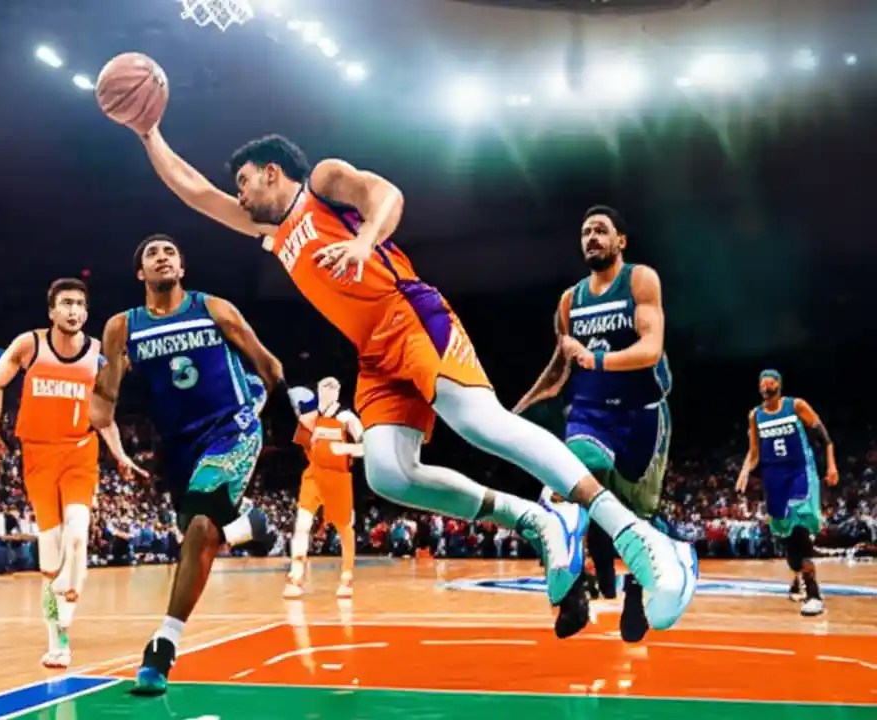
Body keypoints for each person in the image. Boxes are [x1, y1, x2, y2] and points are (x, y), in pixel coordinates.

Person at [125, 123, 699, 634]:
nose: (241, 195)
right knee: (389, 474)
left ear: (272, 172)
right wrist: (149, 133)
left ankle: (642, 540)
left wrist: (363, 241)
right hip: (374, 354)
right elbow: (196, 193)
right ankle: (537, 520)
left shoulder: (320, 183)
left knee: (481, 424)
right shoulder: (269, 229)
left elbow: (386, 195)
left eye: (245, 181)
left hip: (409, 315)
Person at [92, 234, 280, 696]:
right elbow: (105, 398)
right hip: (178, 446)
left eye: (170, 252)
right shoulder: (122, 327)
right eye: (152, 254)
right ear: (140, 273)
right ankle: (250, 525)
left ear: (182, 268)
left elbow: (269, 366)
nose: (162, 257)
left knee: (201, 520)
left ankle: (163, 646)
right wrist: (106, 436)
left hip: (230, 428)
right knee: (198, 535)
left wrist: (264, 408)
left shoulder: (213, 308)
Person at [513, 206, 673, 641]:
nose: (592, 237)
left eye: (601, 230)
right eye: (585, 232)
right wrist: (512, 416)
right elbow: (559, 368)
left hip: (641, 411)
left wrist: (596, 358)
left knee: (640, 515)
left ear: (621, 240)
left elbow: (651, 349)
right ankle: (572, 593)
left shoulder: (640, 280)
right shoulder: (570, 300)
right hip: (590, 413)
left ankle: (637, 591)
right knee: (564, 487)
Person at [0, 277, 144, 669]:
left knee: (77, 530)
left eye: (80, 304)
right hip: (37, 456)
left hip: (79, 452)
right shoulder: (29, 345)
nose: (74, 311)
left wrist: (120, 455)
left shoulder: (98, 355)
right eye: (66, 303)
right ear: (51, 310)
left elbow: (104, 418)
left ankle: (71, 589)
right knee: (51, 554)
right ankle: (58, 637)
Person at [736, 370, 839, 617]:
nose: (766, 385)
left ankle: (814, 593)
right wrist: (744, 472)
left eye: (770, 381)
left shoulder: (796, 406)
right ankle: (798, 576)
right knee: (787, 536)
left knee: (800, 528)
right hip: (774, 478)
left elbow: (825, 438)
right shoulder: (755, 415)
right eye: (762, 382)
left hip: (799, 472)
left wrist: (831, 465)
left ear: (779, 384)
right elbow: (754, 452)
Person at [284, 377, 363, 599]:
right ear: (317, 391)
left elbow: (367, 447)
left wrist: (342, 447)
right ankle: (295, 577)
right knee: (302, 525)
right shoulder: (310, 419)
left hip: (337, 477)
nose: (328, 390)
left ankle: (347, 578)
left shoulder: (347, 418)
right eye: (324, 387)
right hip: (313, 475)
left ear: (338, 391)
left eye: (332, 387)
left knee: (344, 529)